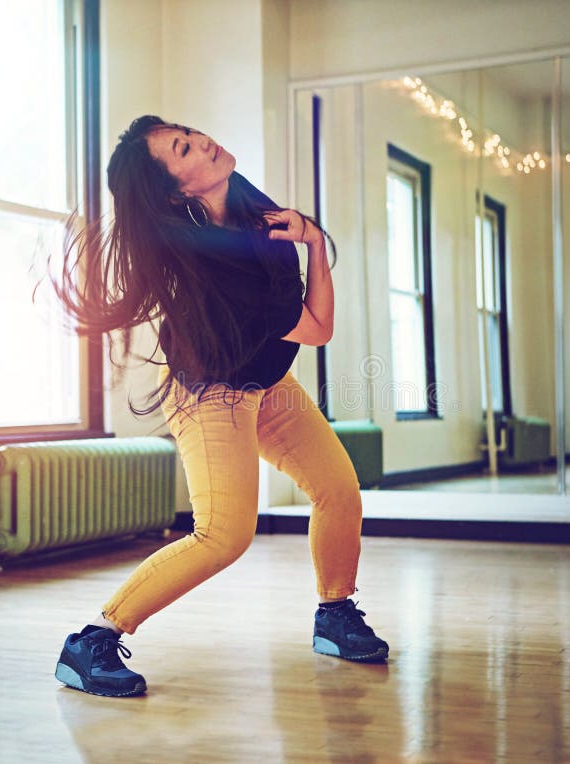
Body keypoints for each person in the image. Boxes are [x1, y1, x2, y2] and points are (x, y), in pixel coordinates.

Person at [52, 116, 388, 698]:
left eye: (190, 131)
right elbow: (319, 328)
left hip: (263, 380)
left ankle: (335, 614)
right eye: (184, 147)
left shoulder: (251, 208)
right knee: (222, 536)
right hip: (211, 391)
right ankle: (92, 640)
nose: (203, 140)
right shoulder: (220, 255)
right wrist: (313, 243)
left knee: (339, 489)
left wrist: (308, 239)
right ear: (178, 189)